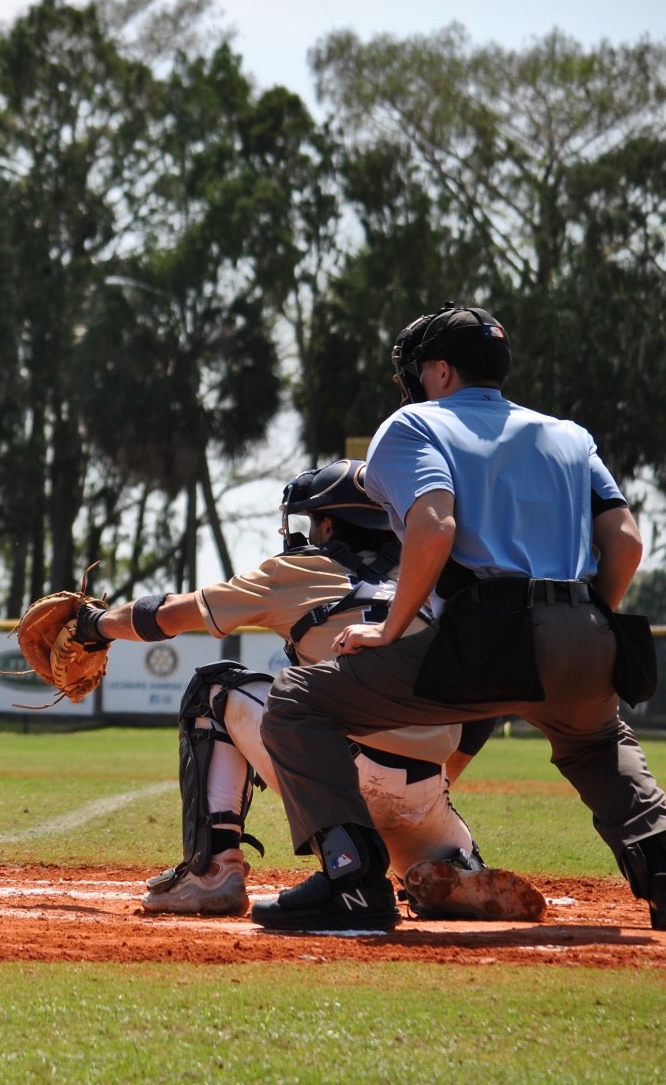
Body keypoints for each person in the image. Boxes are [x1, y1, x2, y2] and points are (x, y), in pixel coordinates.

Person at [249, 304, 666, 931]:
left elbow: (435, 523)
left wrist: (391, 628)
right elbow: (626, 542)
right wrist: (584, 622)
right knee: (598, 745)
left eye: (421, 368)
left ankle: (353, 881)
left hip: (485, 635)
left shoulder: (412, 425)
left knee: (297, 701)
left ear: (442, 370)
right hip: (589, 629)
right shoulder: (569, 435)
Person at [70, 459, 542, 920]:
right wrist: (441, 776)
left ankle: (213, 871)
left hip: (338, 772)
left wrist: (94, 626)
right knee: (433, 855)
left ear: (331, 526)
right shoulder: (433, 581)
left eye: (315, 520)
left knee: (211, 688)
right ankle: (453, 869)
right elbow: (486, 699)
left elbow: (170, 614)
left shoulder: (293, 571)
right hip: (424, 788)